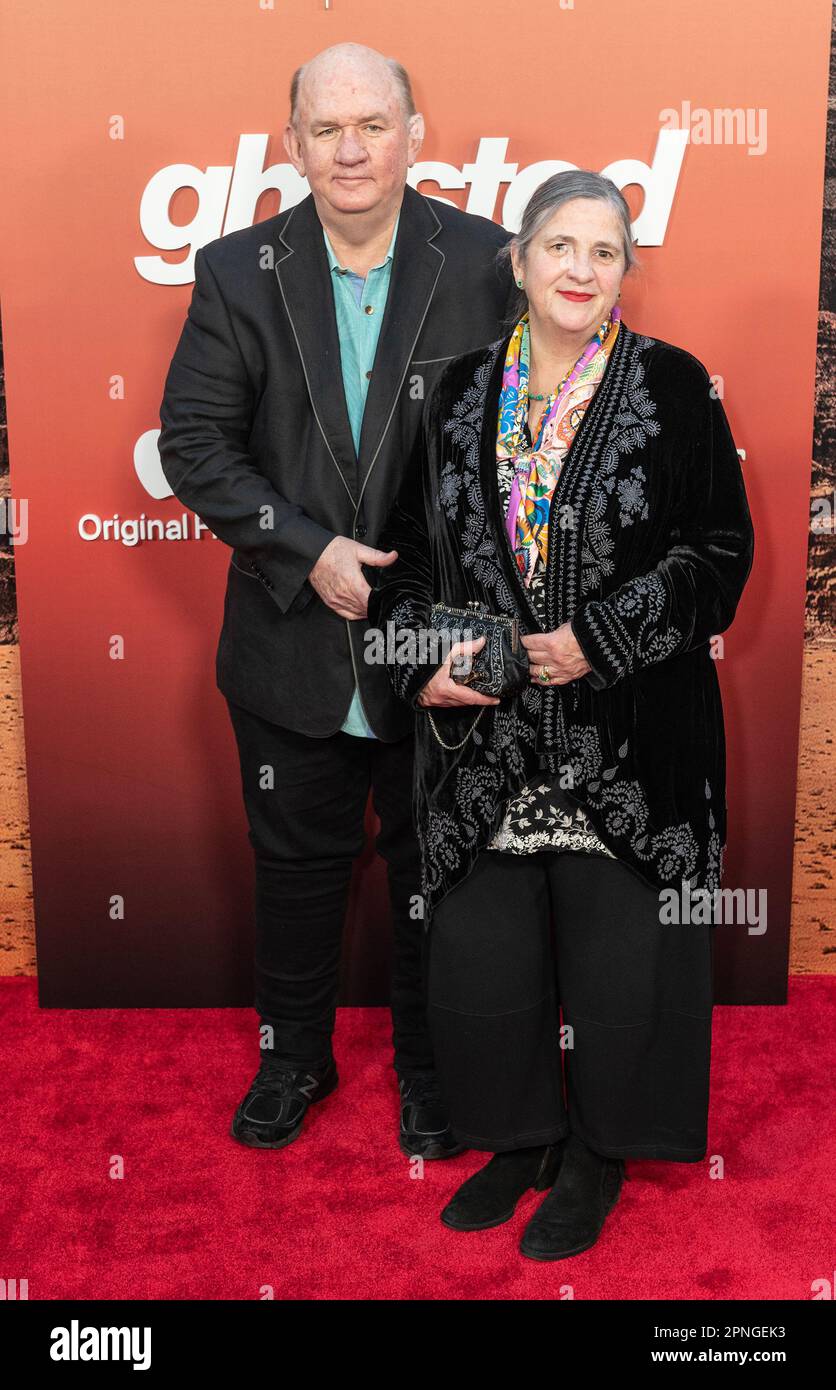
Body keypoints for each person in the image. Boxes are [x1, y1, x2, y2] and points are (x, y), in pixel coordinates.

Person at [368, 169, 755, 1258]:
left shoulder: (675, 386)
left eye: (603, 251)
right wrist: (419, 662)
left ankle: (598, 1149)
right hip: (478, 741)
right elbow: (397, 570)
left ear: (625, 270)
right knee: (486, 956)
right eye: (558, 247)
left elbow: (718, 556)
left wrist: (601, 637)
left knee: (621, 958)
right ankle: (518, 1134)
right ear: (520, 260)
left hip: (629, 736)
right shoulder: (449, 393)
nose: (579, 269)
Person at [158, 43, 514, 1158]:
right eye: (327, 128)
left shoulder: (487, 261)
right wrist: (306, 549)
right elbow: (195, 444)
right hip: (290, 635)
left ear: (415, 130)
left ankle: (428, 1069)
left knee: (436, 868)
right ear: (291, 144)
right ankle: (293, 1058)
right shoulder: (233, 271)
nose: (351, 148)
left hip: (440, 643)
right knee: (297, 869)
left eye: (373, 123)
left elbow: (515, 450)